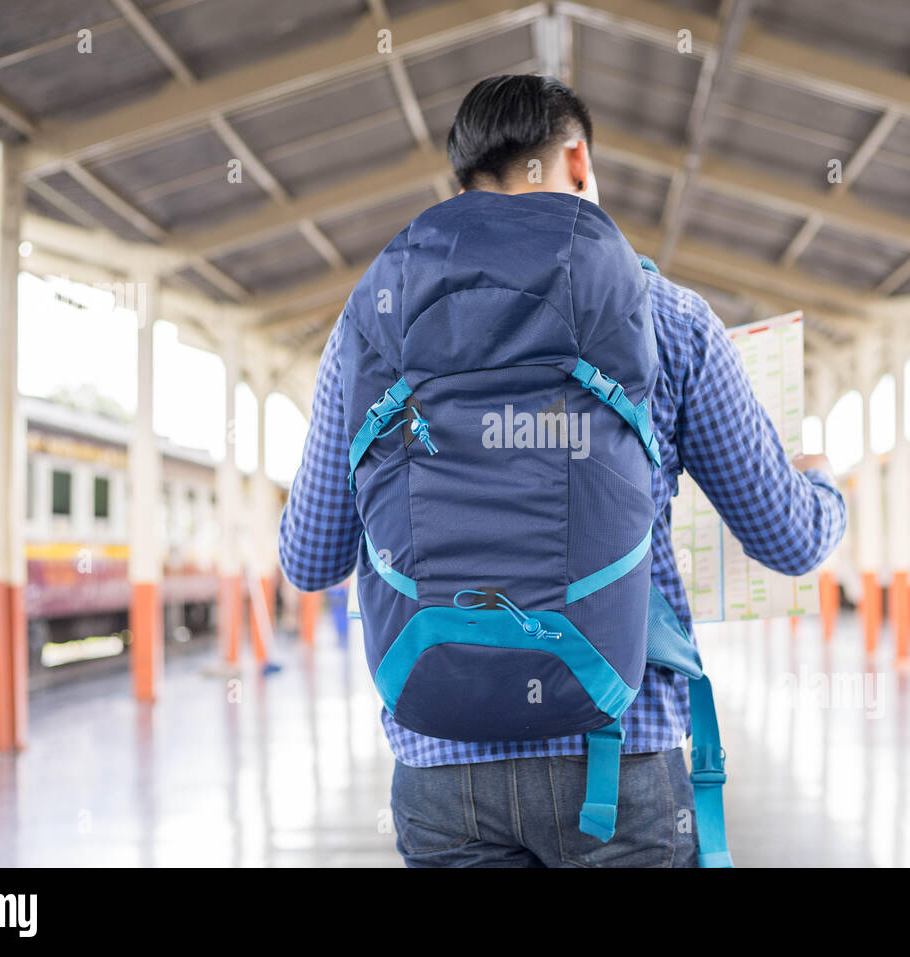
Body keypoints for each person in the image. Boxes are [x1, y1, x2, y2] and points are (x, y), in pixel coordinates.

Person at [279, 74, 846, 867]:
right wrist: (824, 487)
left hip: (444, 775)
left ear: (464, 182)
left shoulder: (369, 324)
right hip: (622, 762)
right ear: (576, 160)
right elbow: (787, 538)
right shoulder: (668, 316)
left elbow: (310, 560)